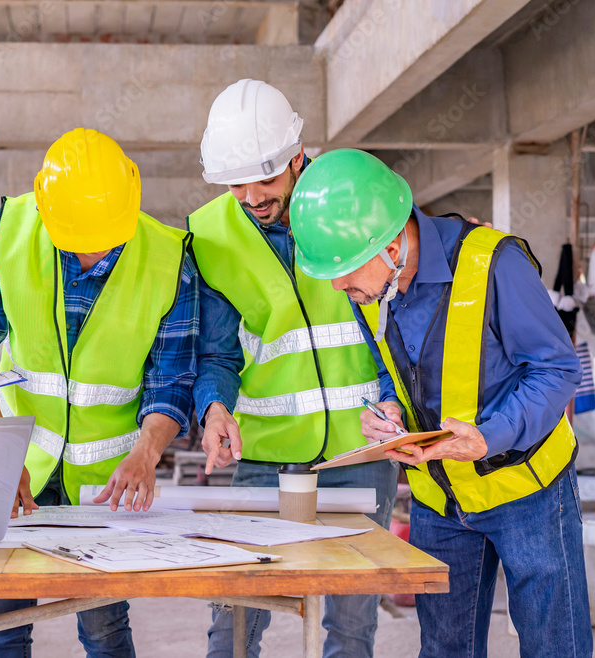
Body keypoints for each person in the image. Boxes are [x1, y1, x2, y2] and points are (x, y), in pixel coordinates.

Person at [289, 148, 592, 657]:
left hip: (528, 492)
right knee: (446, 650)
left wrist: (488, 437)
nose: (338, 285)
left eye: (345, 270)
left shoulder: (495, 263)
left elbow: (558, 369)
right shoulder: (372, 286)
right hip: (439, 503)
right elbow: (392, 369)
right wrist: (390, 410)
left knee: (552, 645)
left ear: (388, 243)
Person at [0, 127, 198, 658]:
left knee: (105, 628)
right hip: (20, 468)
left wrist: (146, 452)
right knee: (0, 620)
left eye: (104, 239)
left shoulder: (169, 256)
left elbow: (169, 380)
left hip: (106, 481)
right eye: (77, 242)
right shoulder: (6, 233)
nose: (91, 253)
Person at [189, 79, 396, 658]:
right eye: (236, 182)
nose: (252, 195)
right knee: (235, 623)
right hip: (264, 458)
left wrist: (391, 397)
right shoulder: (210, 235)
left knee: (353, 625)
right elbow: (218, 352)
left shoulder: (351, 200)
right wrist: (213, 406)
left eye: (267, 178)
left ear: (298, 158)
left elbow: (390, 318)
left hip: (360, 450)